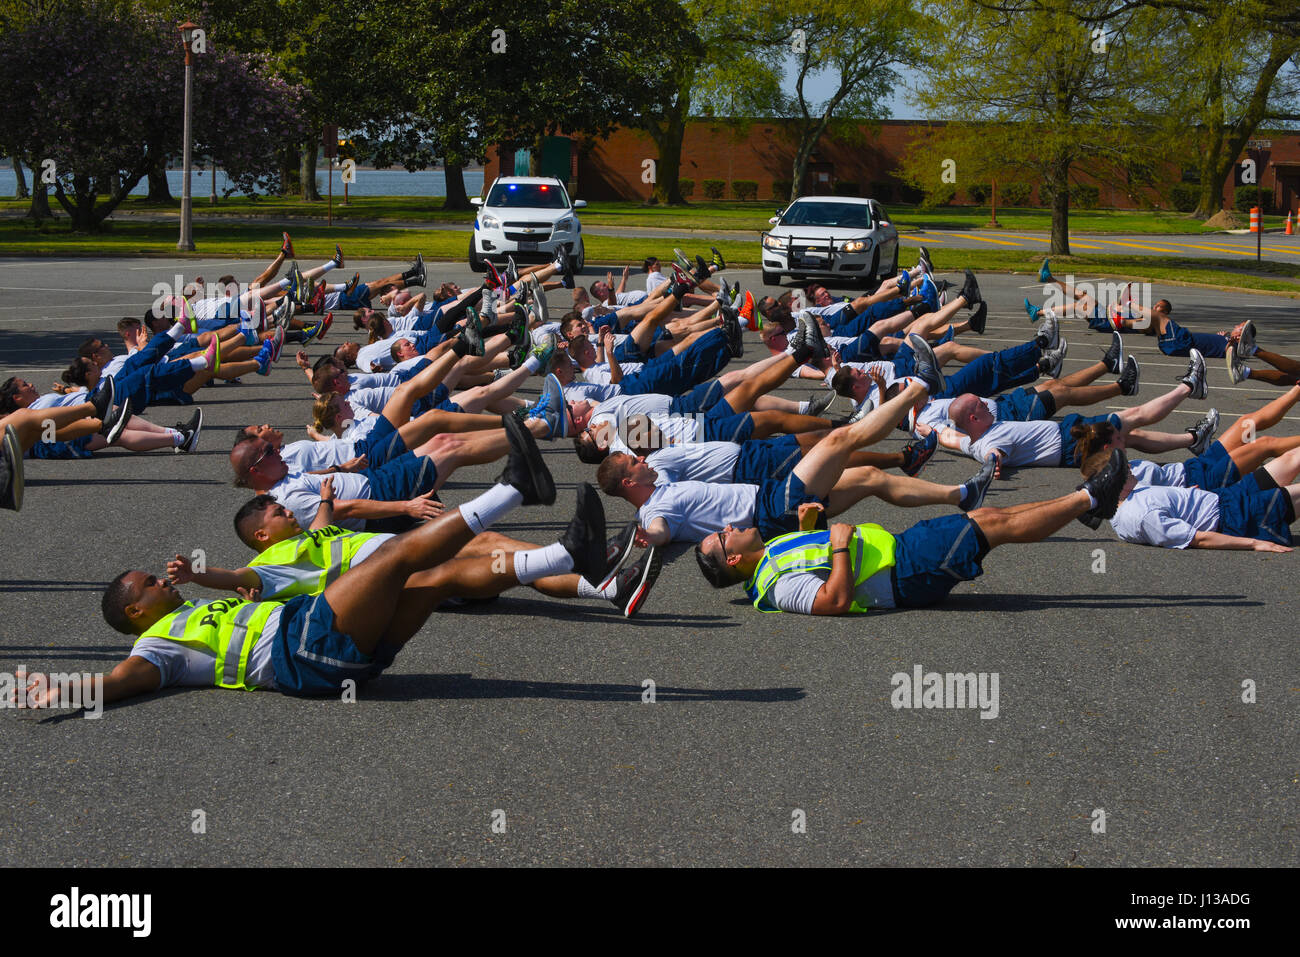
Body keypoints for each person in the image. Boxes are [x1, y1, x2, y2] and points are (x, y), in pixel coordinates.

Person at [16, 441, 623, 707]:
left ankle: (571, 559)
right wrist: (66, 687)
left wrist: (333, 497)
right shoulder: (157, 646)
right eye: (150, 584)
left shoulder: (188, 612)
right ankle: (516, 486)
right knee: (398, 558)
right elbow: (121, 681)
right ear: (135, 613)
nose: (161, 582)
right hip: (299, 651)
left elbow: (321, 529)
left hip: (324, 647)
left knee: (431, 580)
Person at [691, 449, 1133, 614]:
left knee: (991, 517)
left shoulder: (772, 550)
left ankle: (1089, 505)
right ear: (732, 560)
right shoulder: (771, 588)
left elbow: (813, 556)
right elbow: (835, 601)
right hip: (904, 575)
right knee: (993, 525)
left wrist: (810, 527)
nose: (730, 527)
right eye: (724, 536)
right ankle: (1091, 497)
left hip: (901, 551)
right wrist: (841, 548)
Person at [922, 350, 1212, 475]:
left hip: (1069, 438)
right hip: (1074, 441)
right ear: (973, 418)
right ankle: (1190, 386)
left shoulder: (970, 440)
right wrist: (992, 466)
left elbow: (948, 437)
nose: (987, 403)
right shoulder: (986, 444)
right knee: (1134, 415)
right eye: (980, 405)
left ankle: (1192, 440)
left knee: (1132, 436)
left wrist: (928, 431)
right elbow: (992, 455)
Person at [1081, 445, 1300, 552]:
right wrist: (1254, 544)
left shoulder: (1132, 494)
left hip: (1227, 497)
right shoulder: (1141, 516)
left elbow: (1170, 504)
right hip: (1239, 518)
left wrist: (1188, 496)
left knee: (1291, 458)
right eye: (1124, 470)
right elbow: (1199, 539)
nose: (1131, 467)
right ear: (1111, 484)